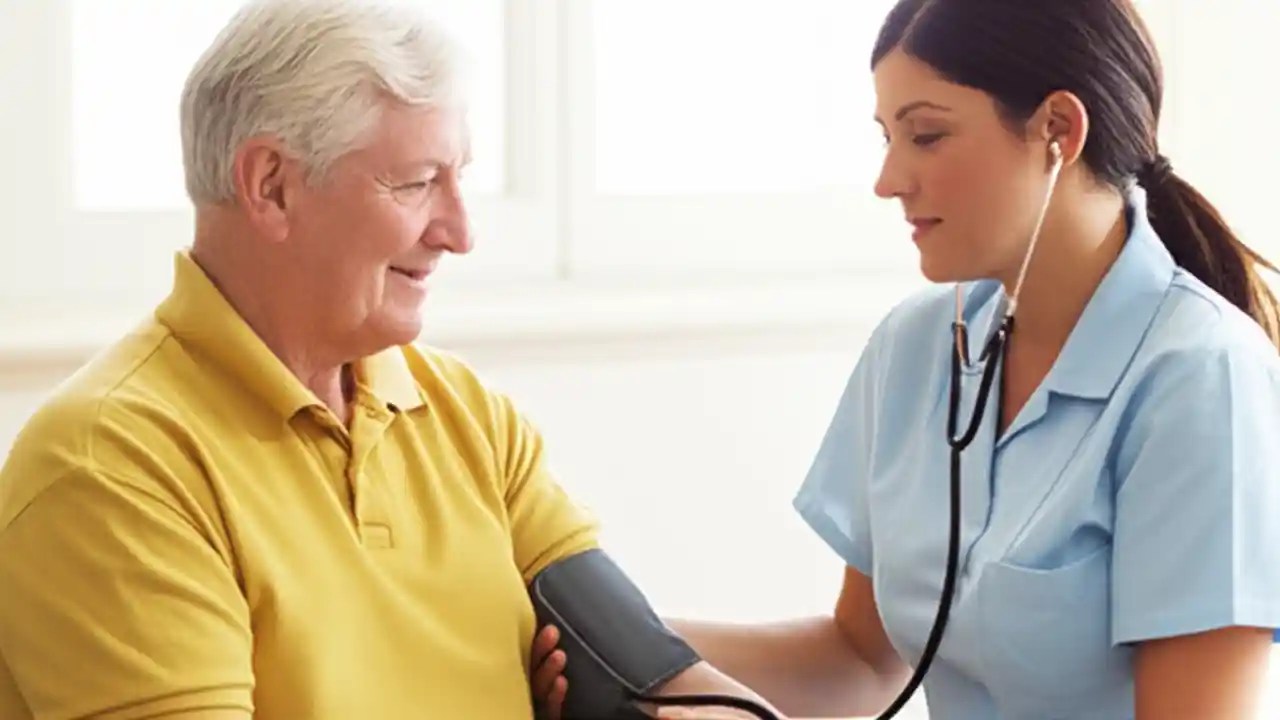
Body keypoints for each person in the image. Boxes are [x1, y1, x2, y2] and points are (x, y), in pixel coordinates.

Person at [0, 1, 774, 718]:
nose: (460, 231)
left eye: (459, 178)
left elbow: (661, 680)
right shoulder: (109, 469)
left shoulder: (468, 416)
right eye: (415, 183)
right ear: (270, 187)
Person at [534, 0, 1280, 718]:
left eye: (925, 136)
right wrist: (610, 647)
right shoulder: (918, 348)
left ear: (1058, 128)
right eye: (886, 137)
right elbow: (859, 662)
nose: (889, 180)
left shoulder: (1200, 379)